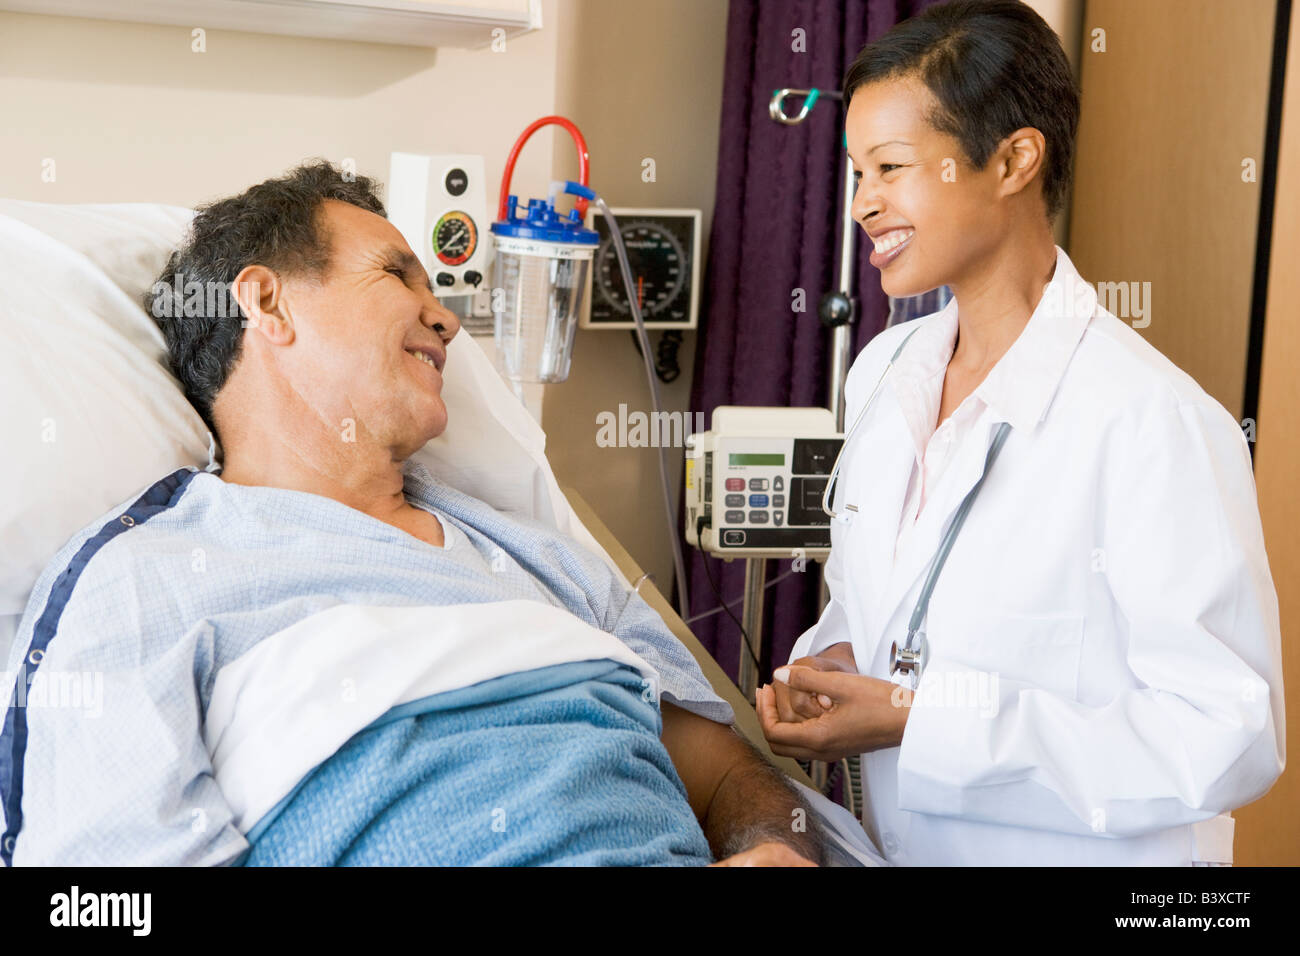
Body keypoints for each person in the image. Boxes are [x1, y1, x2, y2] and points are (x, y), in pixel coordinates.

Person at [1, 160, 823, 867]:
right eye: (397, 275)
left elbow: (727, 776)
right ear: (268, 303)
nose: (447, 317)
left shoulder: (543, 559)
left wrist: (774, 845)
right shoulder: (149, 575)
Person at [756, 0, 1283, 866]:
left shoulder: (1153, 421)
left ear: (1013, 160)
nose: (862, 204)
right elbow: (870, 606)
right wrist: (833, 665)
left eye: (890, 168)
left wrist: (922, 721)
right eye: (857, 173)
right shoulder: (885, 372)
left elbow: (1226, 735)